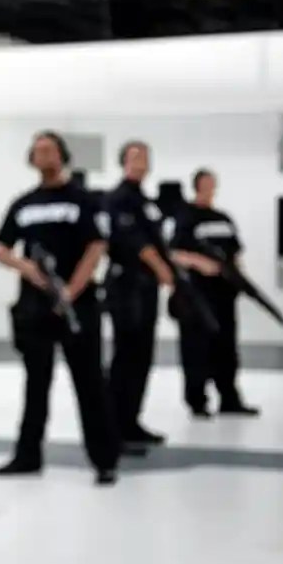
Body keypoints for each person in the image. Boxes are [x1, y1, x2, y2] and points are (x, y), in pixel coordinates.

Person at [0, 131, 119, 485]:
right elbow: (1, 248)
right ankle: (27, 455)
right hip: (34, 306)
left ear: (63, 155)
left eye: (49, 149)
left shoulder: (84, 199)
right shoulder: (24, 203)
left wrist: (72, 291)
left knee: (90, 383)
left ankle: (105, 460)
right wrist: (28, 270)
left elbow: (96, 246)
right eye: (37, 150)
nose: (43, 155)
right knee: (36, 384)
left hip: (79, 304)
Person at [169, 169, 260, 418]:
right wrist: (200, 263)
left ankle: (229, 398)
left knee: (227, 348)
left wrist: (238, 277)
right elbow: (174, 252)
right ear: (197, 185)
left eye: (213, 183)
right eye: (206, 183)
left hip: (224, 294)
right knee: (196, 348)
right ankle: (197, 401)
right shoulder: (186, 217)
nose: (210, 187)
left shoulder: (223, 218)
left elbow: (235, 252)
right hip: (197, 295)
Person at [103, 140, 174, 454]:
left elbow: (157, 239)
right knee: (126, 356)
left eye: (145, 156)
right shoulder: (118, 199)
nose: (140, 161)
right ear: (123, 162)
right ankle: (113, 430)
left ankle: (131, 421)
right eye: (134, 157)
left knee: (142, 356)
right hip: (126, 286)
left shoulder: (146, 200)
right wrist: (161, 268)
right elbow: (134, 241)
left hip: (146, 287)